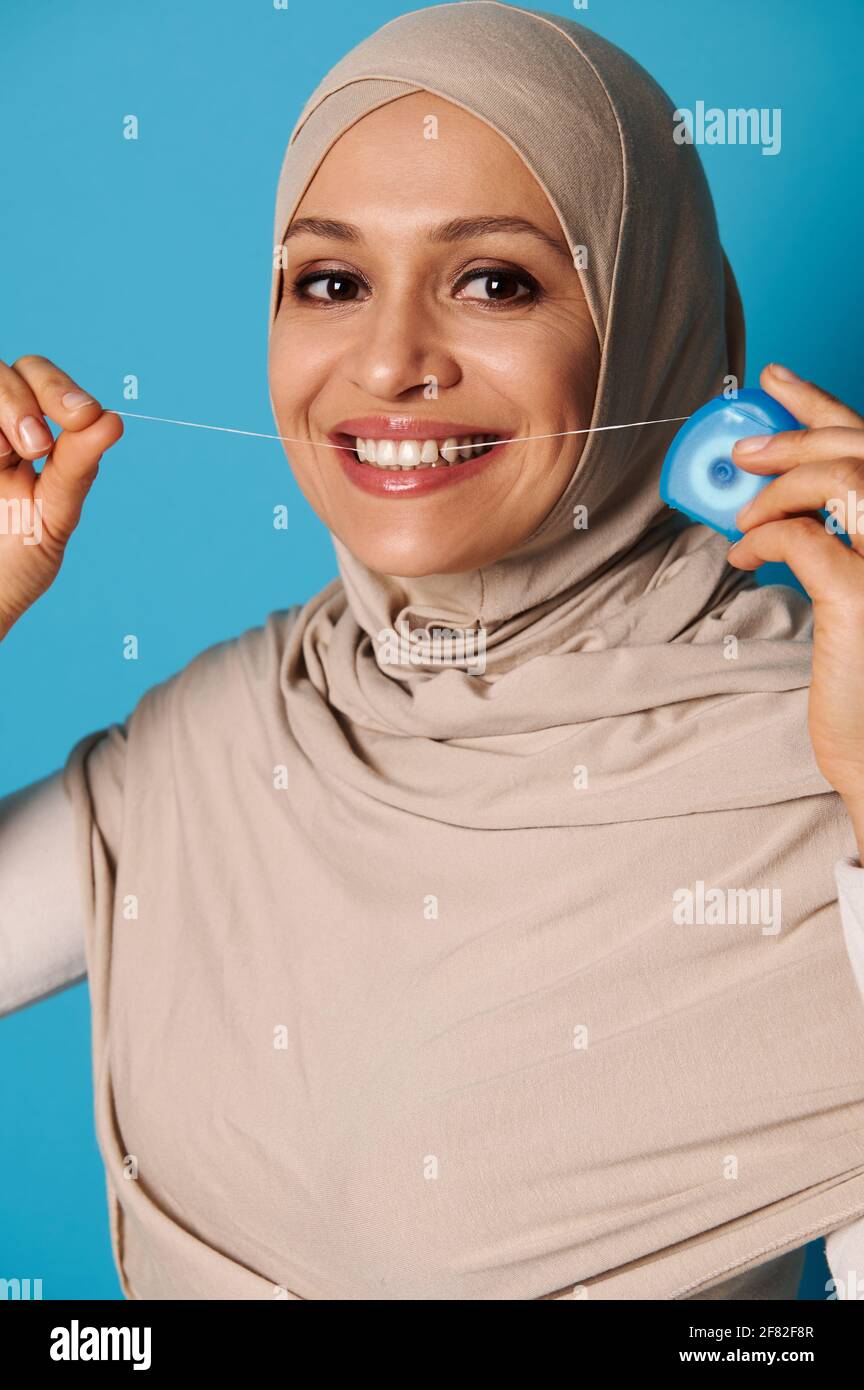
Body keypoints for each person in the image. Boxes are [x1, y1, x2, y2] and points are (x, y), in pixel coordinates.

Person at [3, 2, 864, 1301]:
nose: (390, 360)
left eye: (495, 281)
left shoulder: (822, 761)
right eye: (331, 281)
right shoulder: (236, 735)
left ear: (652, 314)